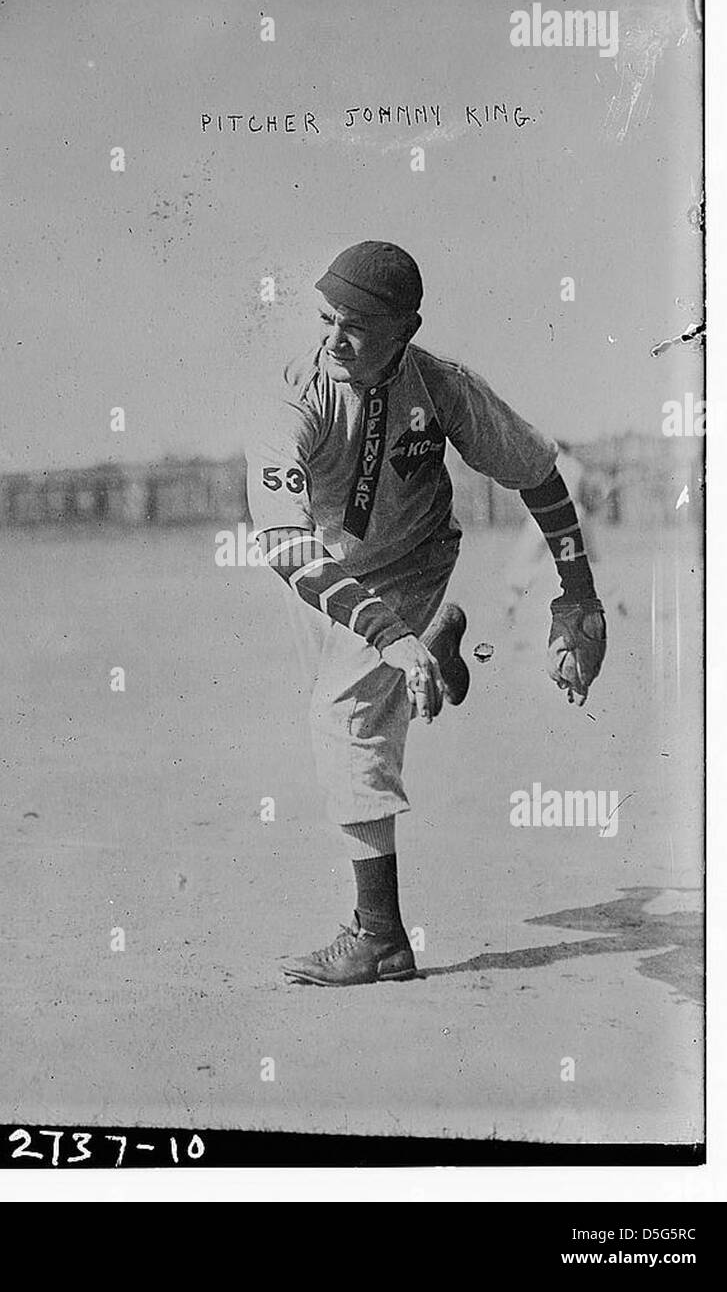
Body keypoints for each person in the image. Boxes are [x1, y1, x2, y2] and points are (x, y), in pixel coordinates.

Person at [246, 242, 607, 986]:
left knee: (344, 715)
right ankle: (432, 659)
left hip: (414, 560)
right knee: (364, 692)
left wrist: (579, 594)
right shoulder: (294, 394)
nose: (334, 340)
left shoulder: (440, 384)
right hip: (324, 572)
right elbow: (283, 544)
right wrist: (391, 636)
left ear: (405, 330)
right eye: (325, 320)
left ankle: (379, 938)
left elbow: (536, 470)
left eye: (357, 327)